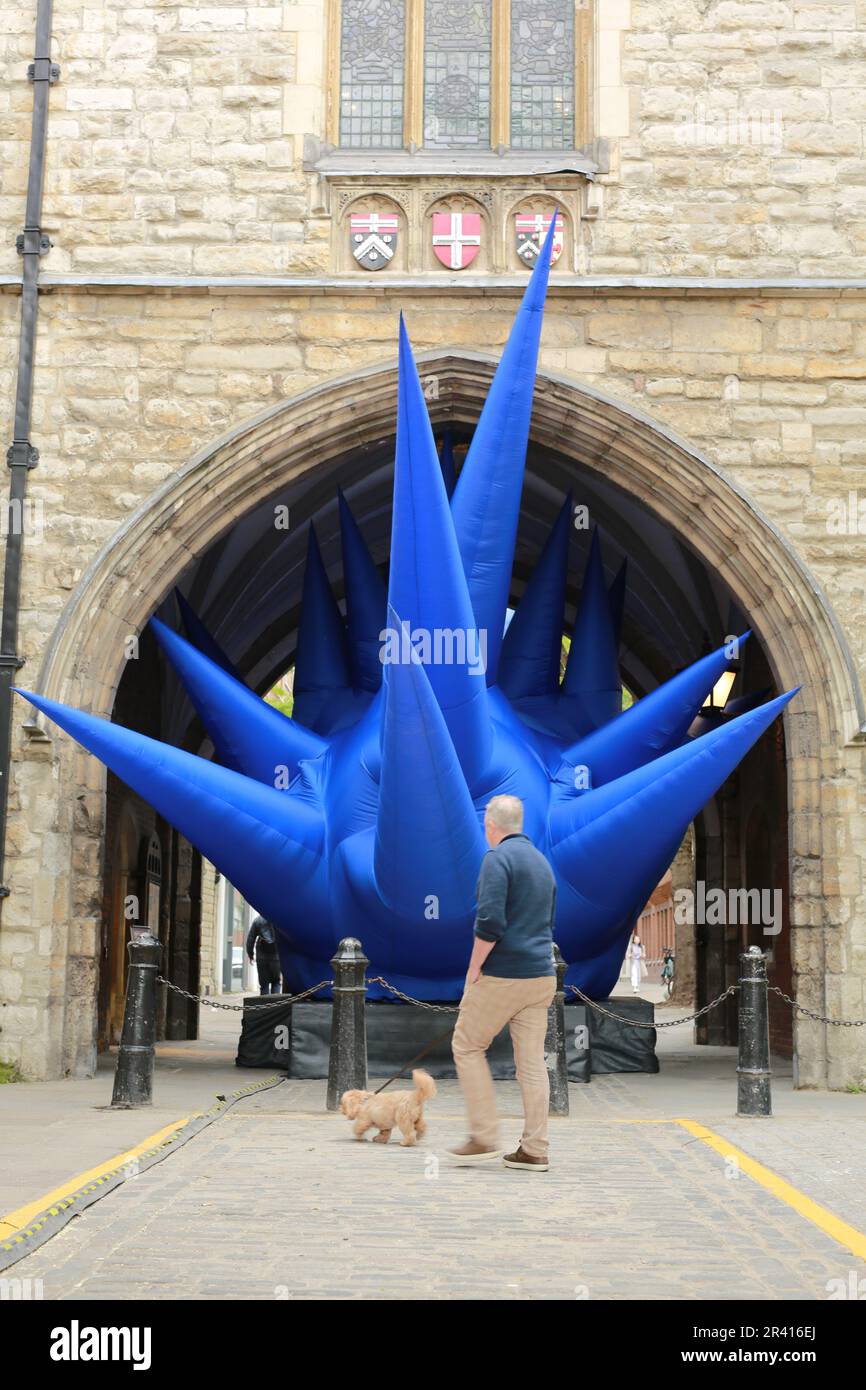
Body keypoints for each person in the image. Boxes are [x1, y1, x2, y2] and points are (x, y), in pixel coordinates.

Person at [449, 795, 557, 1172]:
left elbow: (490, 923)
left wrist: (473, 970)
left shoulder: (496, 859)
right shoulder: (542, 863)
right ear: (520, 823)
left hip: (505, 974)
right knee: (531, 1063)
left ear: (490, 826)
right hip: (542, 976)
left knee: (466, 1045)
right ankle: (535, 1148)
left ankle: (482, 1136)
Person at [246, 915, 282, 995]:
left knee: (264, 985)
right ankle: (276, 1007)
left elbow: (250, 939)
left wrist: (250, 954)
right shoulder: (280, 918)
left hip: (261, 957)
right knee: (276, 982)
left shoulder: (257, 920)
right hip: (276, 956)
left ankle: (265, 1007)